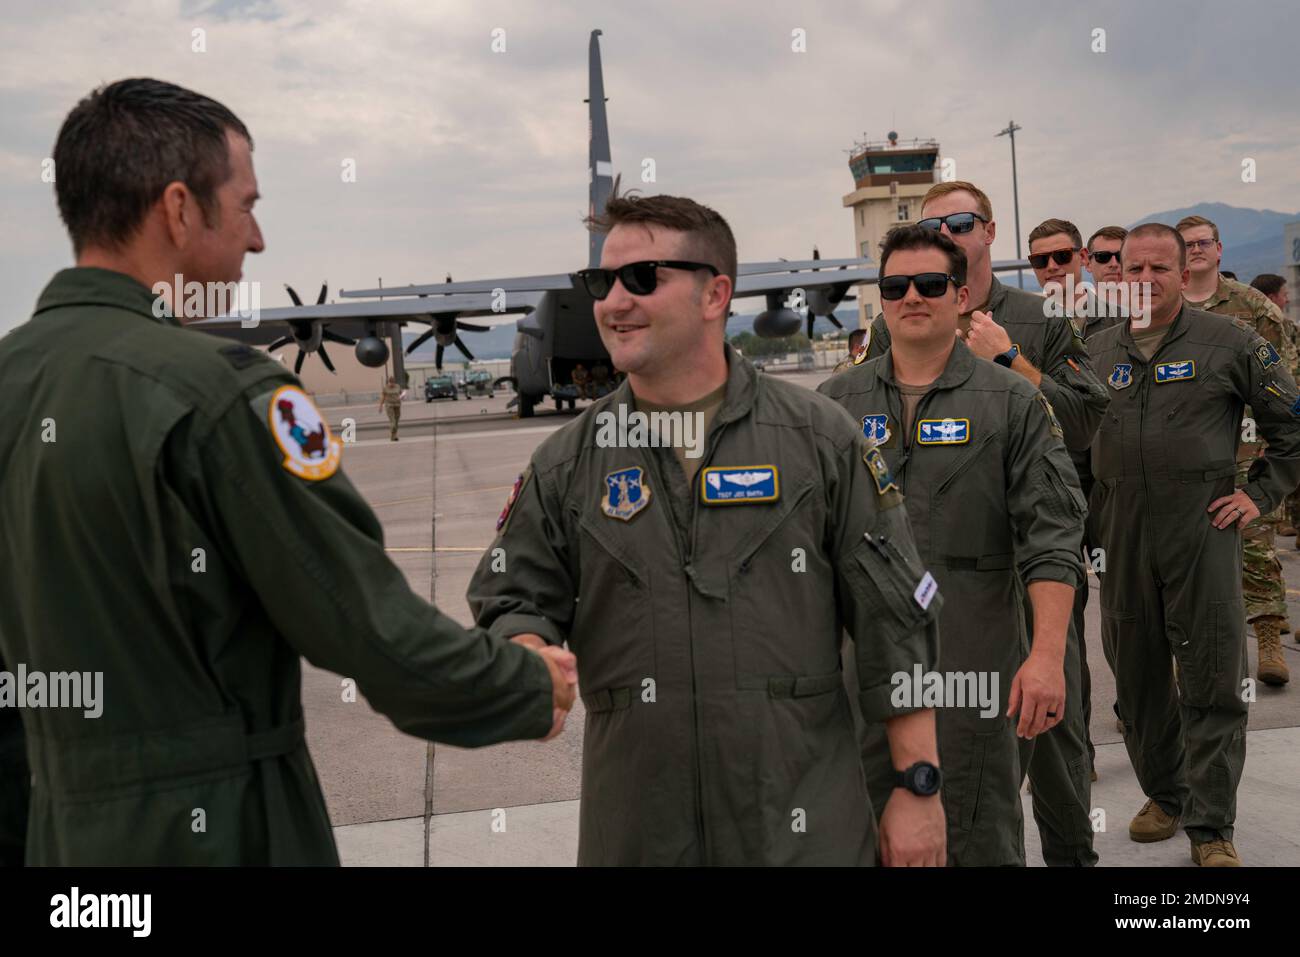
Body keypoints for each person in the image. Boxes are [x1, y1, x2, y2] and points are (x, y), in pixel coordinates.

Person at [0, 78, 577, 866]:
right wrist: (523, 684)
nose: (258, 239)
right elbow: (369, 629)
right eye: (245, 204)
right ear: (177, 209)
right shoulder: (220, 392)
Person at [468, 193, 946, 866]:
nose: (612, 302)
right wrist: (525, 650)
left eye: (642, 279)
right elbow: (511, 591)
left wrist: (916, 787)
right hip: (640, 835)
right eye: (601, 282)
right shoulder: (569, 460)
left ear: (715, 293)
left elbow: (897, 618)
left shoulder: (819, 440)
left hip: (803, 833)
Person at [819, 225, 1085, 866]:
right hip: (858, 668)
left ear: (962, 296)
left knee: (975, 826)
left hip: (975, 658)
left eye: (931, 284)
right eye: (895, 286)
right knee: (858, 826)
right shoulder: (834, 405)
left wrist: (1047, 657)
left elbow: (1052, 535)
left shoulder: (1012, 402)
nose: (913, 296)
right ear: (881, 300)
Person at [1088, 223, 1300, 866]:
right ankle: (1166, 795)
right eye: (1134, 268)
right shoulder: (1095, 354)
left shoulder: (1230, 341)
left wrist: (1258, 496)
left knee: (1211, 678)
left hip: (1203, 531)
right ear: (1119, 277)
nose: (1146, 280)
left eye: (1160, 268)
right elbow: (1064, 445)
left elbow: (1289, 426)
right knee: (1138, 682)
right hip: (1121, 536)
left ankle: (1212, 827)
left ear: (1185, 276)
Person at [1179, 215, 1296, 685]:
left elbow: (1284, 380)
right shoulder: (1164, 307)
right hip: (1188, 445)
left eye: (1203, 243)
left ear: (1220, 250)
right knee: (1188, 549)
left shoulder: (1255, 307)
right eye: (1186, 245)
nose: (1196, 251)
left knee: (1256, 540)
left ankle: (1268, 637)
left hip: (1248, 443)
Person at [1024, 219, 1103, 819]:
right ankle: (1077, 749)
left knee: (1127, 633)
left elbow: (1092, 409)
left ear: (1079, 256)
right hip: (1062, 491)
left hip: (1116, 488)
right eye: (1039, 261)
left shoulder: (1115, 313)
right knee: (1065, 629)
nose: (1051, 268)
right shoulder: (1026, 321)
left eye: (1059, 257)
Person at [1081, 225, 1129, 338]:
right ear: (1088, 264)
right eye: (1102, 257)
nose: (1113, 264)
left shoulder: (1155, 312)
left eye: (1121, 256)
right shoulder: (1073, 318)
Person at [380, 375, 405, 440]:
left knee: (396, 421)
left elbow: (401, 394)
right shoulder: (385, 388)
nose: (392, 384)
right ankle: (393, 435)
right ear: (389, 382)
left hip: (397, 405)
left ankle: (394, 435)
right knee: (393, 421)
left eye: (393, 382)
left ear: (394, 382)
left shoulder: (398, 386)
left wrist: (402, 396)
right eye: (391, 382)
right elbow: (383, 397)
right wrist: (380, 406)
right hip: (389, 406)